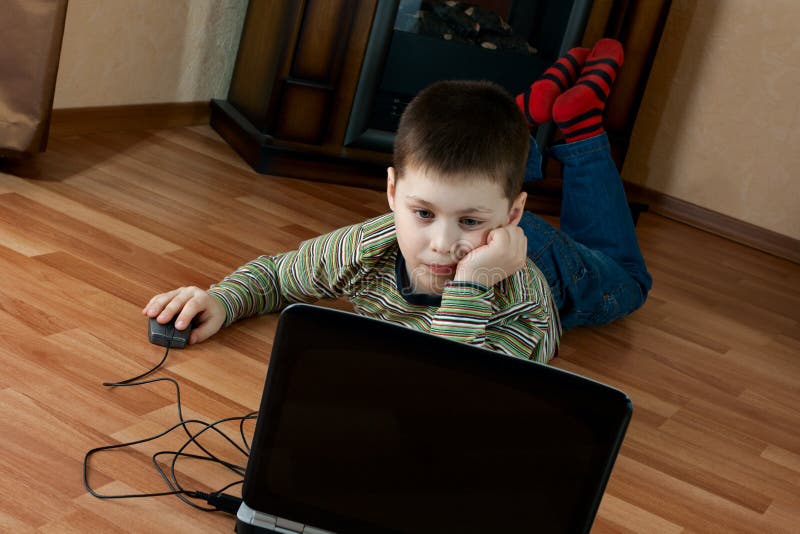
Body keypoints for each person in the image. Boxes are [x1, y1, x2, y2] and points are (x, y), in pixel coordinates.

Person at [143, 38, 650, 363]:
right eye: (422, 213)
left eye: (464, 222)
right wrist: (223, 299)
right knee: (477, 180)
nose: (441, 244)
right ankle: (513, 132)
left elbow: (455, 387)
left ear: (515, 214)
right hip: (489, 211)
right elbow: (281, 274)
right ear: (391, 192)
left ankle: (579, 129)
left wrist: (473, 282)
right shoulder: (370, 244)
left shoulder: (528, 304)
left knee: (625, 279)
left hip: (525, 265)